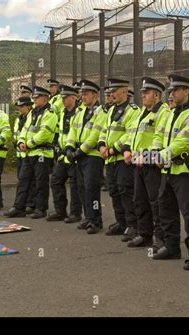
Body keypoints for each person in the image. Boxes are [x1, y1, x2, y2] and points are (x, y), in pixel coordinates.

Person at [151, 74, 189, 271]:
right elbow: (158, 133)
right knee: (165, 209)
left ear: (186, 91)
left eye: (175, 90)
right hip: (167, 169)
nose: (171, 94)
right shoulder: (170, 112)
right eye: (170, 91)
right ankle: (172, 246)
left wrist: (162, 155)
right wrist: (156, 151)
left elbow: (185, 141)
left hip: (184, 171)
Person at [124, 77, 170, 248]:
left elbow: (161, 139)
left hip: (153, 165)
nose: (143, 96)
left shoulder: (163, 113)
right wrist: (127, 149)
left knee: (156, 202)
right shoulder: (143, 113)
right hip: (139, 164)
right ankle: (144, 234)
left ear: (156, 95)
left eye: (146, 93)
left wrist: (148, 157)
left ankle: (160, 237)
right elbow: (133, 135)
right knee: (140, 200)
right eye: (142, 93)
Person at [4, 86, 58, 219]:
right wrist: (21, 141)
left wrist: (28, 144)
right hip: (29, 152)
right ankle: (18, 207)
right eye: (33, 97)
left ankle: (41, 209)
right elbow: (24, 130)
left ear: (45, 98)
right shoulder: (32, 113)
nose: (34, 99)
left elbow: (44, 134)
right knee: (23, 180)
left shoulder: (50, 114)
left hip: (41, 153)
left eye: (37, 97)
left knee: (41, 182)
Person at [98, 78, 140, 241]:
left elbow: (131, 134)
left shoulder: (133, 111)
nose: (111, 94)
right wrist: (101, 145)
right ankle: (121, 222)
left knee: (126, 191)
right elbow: (104, 131)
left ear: (124, 91)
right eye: (110, 91)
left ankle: (133, 225)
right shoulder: (111, 110)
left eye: (114, 91)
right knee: (114, 191)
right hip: (110, 159)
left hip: (122, 158)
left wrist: (113, 149)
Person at [65, 79, 107, 234]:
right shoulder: (80, 112)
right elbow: (72, 131)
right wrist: (69, 147)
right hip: (79, 156)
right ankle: (88, 217)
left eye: (86, 94)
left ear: (94, 95)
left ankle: (96, 220)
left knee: (91, 189)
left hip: (92, 156)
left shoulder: (101, 112)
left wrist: (80, 151)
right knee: (81, 188)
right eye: (81, 94)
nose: (83, 97)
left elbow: (95, 135)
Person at [47, 84, 83, 223]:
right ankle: (60, 211)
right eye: (62, 97)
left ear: (74, 97)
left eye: (66, 97)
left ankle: (75, 213)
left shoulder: (79, 112)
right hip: (63, 154)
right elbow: (60, 132)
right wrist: (58, 146)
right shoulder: (62, 113)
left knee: (75, 185)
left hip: (74, 154)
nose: (63, 100)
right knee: (56, 181)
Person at [13, 96, 36, 214]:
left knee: (31, 180)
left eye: (22, 106)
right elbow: (18, 133)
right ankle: (22, 204)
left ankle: (30, 204)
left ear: (28, 106)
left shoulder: (32, 117)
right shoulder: (19, 119)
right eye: (19, 107)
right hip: (20, 152)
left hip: (30, 151)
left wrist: (26, 144)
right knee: (22, 179)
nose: (20, 109)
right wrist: (17, 142)